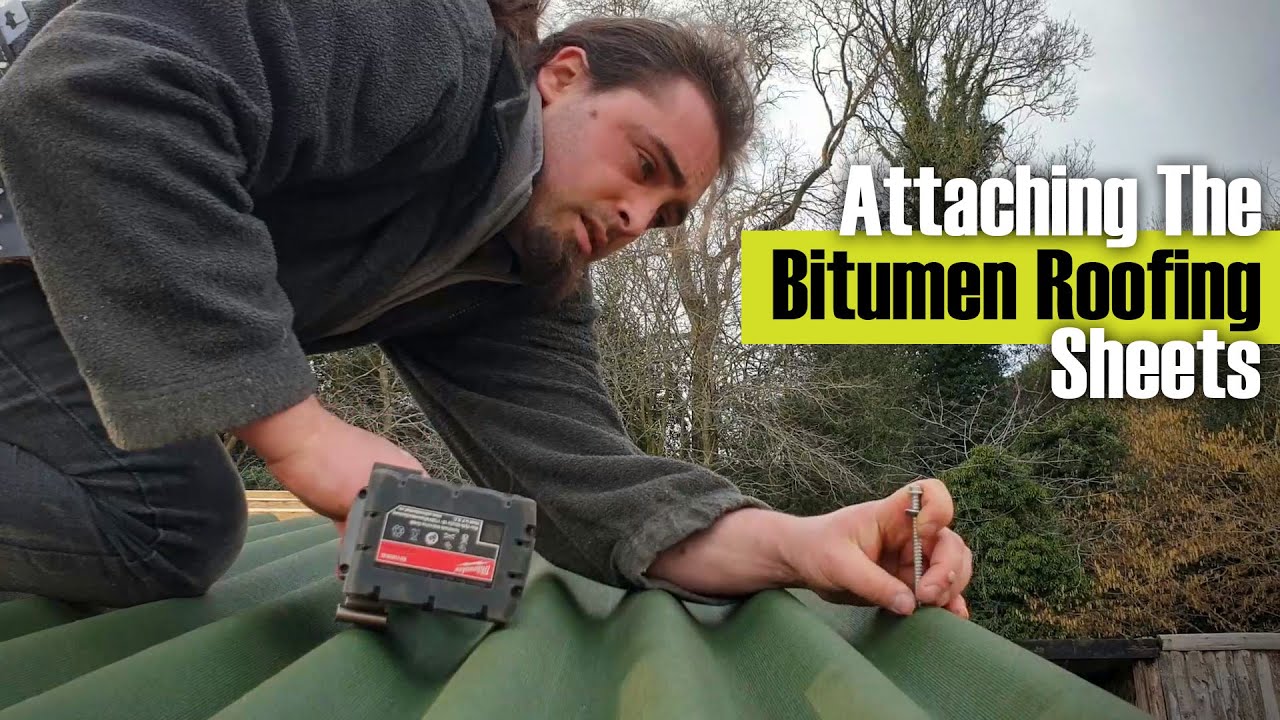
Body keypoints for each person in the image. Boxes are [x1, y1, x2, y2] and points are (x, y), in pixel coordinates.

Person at [0, 0, 972, 618]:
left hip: (64, 309)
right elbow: (96, 86)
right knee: (175, 521)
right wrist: (299, 433)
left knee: (168, 524)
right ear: (562, 75)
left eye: (666, 214)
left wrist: (800, 542)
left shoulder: (520, 277)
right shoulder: (428, 43)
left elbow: (594, 492)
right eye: (642, 164)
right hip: (33, 209)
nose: (637, 217)